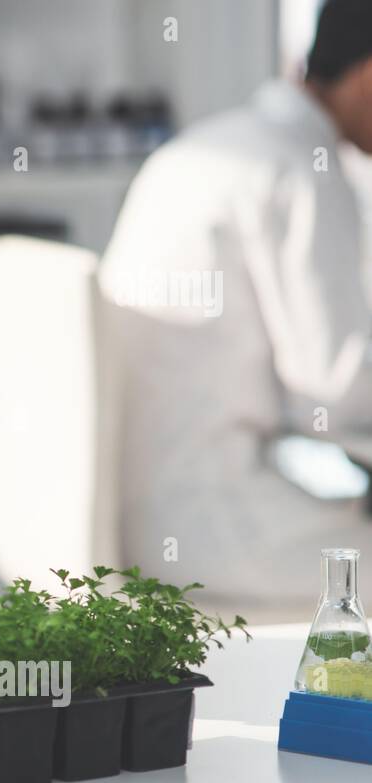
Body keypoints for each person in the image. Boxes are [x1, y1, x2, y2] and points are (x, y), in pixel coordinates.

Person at [97, 0, 372, 603]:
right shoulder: (302, 168)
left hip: (142, 509)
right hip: (217, 526)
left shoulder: (218, 145)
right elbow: (336, 391)